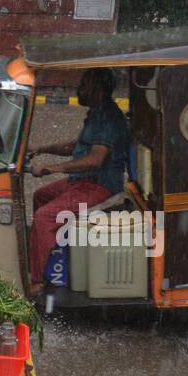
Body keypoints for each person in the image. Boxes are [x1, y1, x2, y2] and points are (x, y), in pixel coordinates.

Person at [26, 68, 130, 287]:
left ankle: (38, 282)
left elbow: (95, 160)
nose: (79, 90)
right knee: (41, 196)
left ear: (98, 90)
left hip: (99, 185)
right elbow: (76, 146)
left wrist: (53, 168)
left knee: (45, 217)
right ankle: (47, 255)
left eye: (84, 86)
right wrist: (41, 149)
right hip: (82, 181)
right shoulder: (97, 113)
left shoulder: (109, 118)